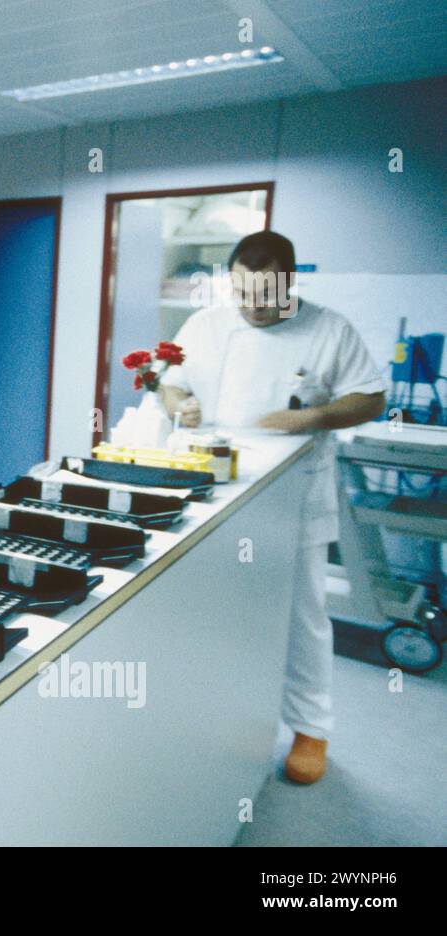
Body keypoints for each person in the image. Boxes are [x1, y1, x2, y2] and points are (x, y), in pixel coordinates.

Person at [160, 230, 387, 785]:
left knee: (302, 614)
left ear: (290, 282)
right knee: (209, 608)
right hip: (211, 493)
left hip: (294, 497)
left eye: (266, 298)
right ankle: (214, 718)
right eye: (243, 296)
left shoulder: (329, 328)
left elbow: (372, 396)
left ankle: (311, 730)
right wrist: (180, 403)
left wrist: (310, 418)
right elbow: (172, 381)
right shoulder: (206, 324)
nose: (254, 309)